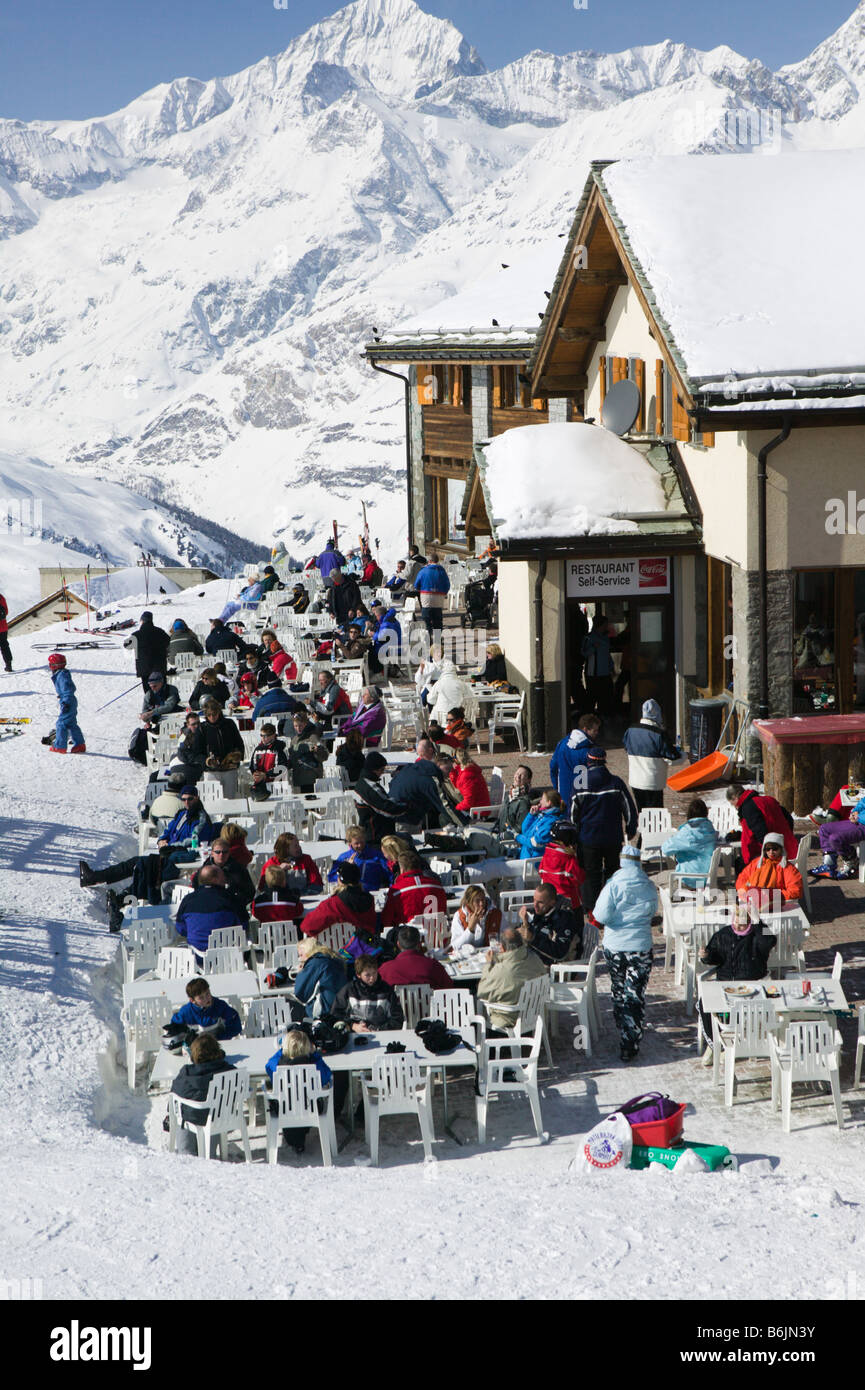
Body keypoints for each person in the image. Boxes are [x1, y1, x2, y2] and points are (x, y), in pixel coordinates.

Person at [592, 844, 658, 1062]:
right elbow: (653, 912)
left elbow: (600, 915)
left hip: (615, 946)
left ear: (622, 862)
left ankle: (624, 1027)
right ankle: (630, 1039)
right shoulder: (649, 885)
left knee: (619, 988)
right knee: (635, 993)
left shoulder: (613, 885)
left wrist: (616, 920)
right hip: (640, 947)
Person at [698, 903, 777, 1055]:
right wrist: (706, 956)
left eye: (742, 924)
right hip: (726, 984)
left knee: (737, 1009)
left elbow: (770, 942)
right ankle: (715, 1044)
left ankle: (726, 1044)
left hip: (751, 985)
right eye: (735, 923)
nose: (738, 927)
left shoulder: (758, 933)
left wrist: (758, 922)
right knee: (705, 1003)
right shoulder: (723, 934)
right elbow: (715, 957)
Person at [571, 748, 638, 914]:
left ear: (588, 762)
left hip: (587, 838)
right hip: (612, 837)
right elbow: (629, 808)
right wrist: (630, 828)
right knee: (612, 872)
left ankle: (592, 908)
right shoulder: (616, 783)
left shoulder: (580, 784)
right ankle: (612, 903)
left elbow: (572, 813)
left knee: (590, 874)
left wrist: (573, 836)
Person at [265, 1028, 334, 1154]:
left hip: (285, 1110)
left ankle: (296, 1142)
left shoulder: (279, 1066)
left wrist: (281, 1052)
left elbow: (268, 1065)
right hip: (310, 1108)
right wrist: (315, 1055)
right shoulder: (314, 1066)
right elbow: (327, 1074)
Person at [169, 1033, 237, 1156]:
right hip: (216, 1119)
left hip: (191, 1118)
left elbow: (174, 1094)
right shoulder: (229, 1071)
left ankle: (187, 1155)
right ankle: (208, 1155)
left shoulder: (187, 1073)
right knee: (208, 1151)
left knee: (186, 1148)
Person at [477, 926, 548, 1031]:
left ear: (502, 947)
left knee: (476, 1002)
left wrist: (488, 964)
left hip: (509, 1018)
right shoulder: (535, 958)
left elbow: (481, 992)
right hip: (534, 1013)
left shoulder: (502, 971)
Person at [388, 738, 466, 831]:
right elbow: (444, 805)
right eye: (447, 770)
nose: (449, 774)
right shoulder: (430, 779)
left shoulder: (412, 767)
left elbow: (393, 782)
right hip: (404, 817)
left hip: (393, 811)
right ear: (438, 765)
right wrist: (466, 822)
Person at [174, 865, 249, 958]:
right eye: (222, 876)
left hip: (197, 957)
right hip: (228, 957)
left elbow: (181, 928)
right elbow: (244, 926)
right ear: (214, 879)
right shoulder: (231, 899)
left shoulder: (188, 899)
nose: (225, 878)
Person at [622, 700, 682, 810]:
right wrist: (682, 753)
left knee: (642, 813)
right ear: (658, 714)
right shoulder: (659, 734)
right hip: (653, 783)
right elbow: (673, 758)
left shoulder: (630, 731)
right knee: (656, 816)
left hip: (635, 781)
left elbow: (627, 748)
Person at [300, 860, 377, 937]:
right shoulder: (369, 899)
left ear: (340, 880)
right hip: (367, 945)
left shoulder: (333, 903)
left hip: (337, 947)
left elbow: (306, 926)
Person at [728, 785, 797, 866]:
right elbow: (789, 819)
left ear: (735, 798)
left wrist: (768, 853)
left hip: (774, 855)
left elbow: (761, 832)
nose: (735, 807)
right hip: (788, 848)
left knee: (740, 864)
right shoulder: (767, 799)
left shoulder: (748, 807)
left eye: (733, 804)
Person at [332, 954, 404, 1032]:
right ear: (358, 975)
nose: (372, 978)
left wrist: (380, 1030)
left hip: (381, 1034)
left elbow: (397, 1018)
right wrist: (352, 1025)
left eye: (374, 973)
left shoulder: (386, 990)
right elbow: (335, 1015)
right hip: (355, 1034)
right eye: (367, 975)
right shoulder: (349, 990)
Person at [518, 883, 582, 965]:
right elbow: (535, 933)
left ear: (552, 902)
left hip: (560, 968)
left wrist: (533, 938)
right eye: (534, 900)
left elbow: (560, 953)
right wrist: (525, 924)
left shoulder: (564, 919)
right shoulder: (543, 912)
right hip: (540, 960)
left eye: (540, 902)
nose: (535, 905)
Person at [381, 851, 447, 929]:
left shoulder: (396, 891)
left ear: (401, 869)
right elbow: (444, 911)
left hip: (408, 937)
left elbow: (387, 920)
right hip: (436, 936)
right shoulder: (437, 886)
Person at [736, 831, 803, 907]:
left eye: (774, 849)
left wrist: (771, 895)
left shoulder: (787, 868)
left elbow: (796, 890)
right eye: (768, 849)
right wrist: (747, 891)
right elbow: (741, 879)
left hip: (775, 904)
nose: (771, 852)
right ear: (764, 850)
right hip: (752, 901)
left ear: (781, 849)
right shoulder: (757, 863)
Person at [661, 798, 718, 888]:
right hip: (705, 879)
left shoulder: (688, 832)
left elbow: (665, 849)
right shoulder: (710, 830)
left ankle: (675, 898)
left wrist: (674, 837)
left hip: (689, 879)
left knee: (654, 879)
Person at [378, 925, 453, 990]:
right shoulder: (434, 966)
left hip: (398, 1006)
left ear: (398, 945)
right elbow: (449, 988)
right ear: (419, 944)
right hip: (430, 1006)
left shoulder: (385, 969)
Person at [812, 789, 865, 878]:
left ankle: (852, 862)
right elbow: (863, 802)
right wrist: (855, 811)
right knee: (824, 829)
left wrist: (859, 817)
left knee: (835, 838)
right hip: (857, 821)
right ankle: (829, 865)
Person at [549, 714, 601, 804]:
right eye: (595, 730)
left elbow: (553, 767)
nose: (597, 733)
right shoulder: (589, 751)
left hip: (564, 795)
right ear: (585, 729)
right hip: (584, 798)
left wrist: (557, 789)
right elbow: (597, 775)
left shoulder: (562, 743)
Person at [169, 976, 242, 1040]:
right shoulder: (186, 1012)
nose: (207, 998)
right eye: (201, 997)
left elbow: (235, 1023)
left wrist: (222, 1038)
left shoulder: (220, 1006)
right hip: (195, 1046)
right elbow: (175, 1028)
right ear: (192, 1000)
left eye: (207, 993)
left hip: (219, 1044)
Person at [192, 833, 254, 907]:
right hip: (208, 904)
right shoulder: (205, 869)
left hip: (231, 905)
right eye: (218, 852)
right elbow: (195, 886)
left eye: (225, 852)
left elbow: (250, 891)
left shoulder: (238, 869)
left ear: (229, 853)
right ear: (212, 853)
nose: (221, 855)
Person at [354, 751, 405, 842]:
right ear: (374, 770)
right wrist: (406, 807)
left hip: (375, 832)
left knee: (407, 838)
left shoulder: (363, 782)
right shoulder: (369, 787)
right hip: (376, 837)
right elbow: (386, 808)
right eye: (381, 770)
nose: (382, 773)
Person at [292, 940, 348, 1018]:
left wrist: (300, 973)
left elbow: (300, 992)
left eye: (301, 955)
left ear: (308, 951)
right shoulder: (334, 959)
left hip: (325, 1012)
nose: (299, 959)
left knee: (289, 1005)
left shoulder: (315, 962)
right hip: (341, 1008)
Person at [328, 826, 391, 893]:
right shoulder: (343, 858)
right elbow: (332, 877)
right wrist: (347, 869)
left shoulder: (376, 856)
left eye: (362, 842)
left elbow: (389, 874)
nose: (360, 845)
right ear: (350, 843)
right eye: (356, 843)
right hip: (351, 893)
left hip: (373, 891)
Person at [539, 821, 585, 912]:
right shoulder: (569, 859)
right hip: (569, 902)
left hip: (549, 900)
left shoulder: (547, 854)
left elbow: (541, 873)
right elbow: (580, 878)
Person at [258, 832, 323, 896]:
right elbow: (263, 889)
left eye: (298, 844)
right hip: (280, 901)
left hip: (302, 898)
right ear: (286, 849)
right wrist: (278, 871)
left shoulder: (306, 860)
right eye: (296, 846)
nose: (299, 848)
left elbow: (317, 885)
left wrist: (298, 894)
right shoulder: (272, 864)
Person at [47, 653, 86, 753]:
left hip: (67, 700)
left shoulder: (61, 676)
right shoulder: (62, 674)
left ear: (55, 666)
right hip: (69, 700)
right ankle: (80, 744)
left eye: (50, 664)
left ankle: (60, 746)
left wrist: (65, 702)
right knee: (71, 723)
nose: (50, 667)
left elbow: (67, 689)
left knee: (61, 724)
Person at [125, 611, 170, 692]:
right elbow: (168, 641)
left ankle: (150, 704)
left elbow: (127, 645)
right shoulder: (160, 632)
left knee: (149, 693)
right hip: (159, 667)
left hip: (144, 668)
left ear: (142, 621)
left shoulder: (137, 635)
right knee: (163, 692)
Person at [424, 660, 477, 728]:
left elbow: (430, 700)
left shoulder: (439, 683)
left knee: (435, 710)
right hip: (457, 716)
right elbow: (470, 697)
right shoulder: (460, 683)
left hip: (441, 717)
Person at [451, 886, 501, 954]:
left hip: (490, 954)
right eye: (477, 901)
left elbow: (506, 937)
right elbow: (456, 947)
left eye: (483, 900)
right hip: (466, 957)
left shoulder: (495, 913)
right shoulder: (459, 916)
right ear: (469, 903)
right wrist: (470, 929)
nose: (481, 904)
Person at [413, 549, 450, 643]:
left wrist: (420, 589)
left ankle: (428, 638)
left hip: (426, 596)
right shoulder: (441, 571)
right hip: (438, 597)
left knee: (426, 618)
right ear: (437, 560)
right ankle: (438, 639)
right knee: (437, 619)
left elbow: (417, 584)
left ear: (429, 560)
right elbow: (447, 584)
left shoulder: (423, 571)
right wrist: (444, 593)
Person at [287, 707, 327, 791]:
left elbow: (325, 756)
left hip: (312, 777)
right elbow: (292, 760)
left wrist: (318, 750)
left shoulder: (313, 737)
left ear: (305, 724)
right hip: (299, 778)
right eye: (296, 726)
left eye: (300, 725)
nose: (298, 728)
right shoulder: (293, 740)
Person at [516, 790, 564, 859]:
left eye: (542, 799)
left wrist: (517, 837)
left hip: (534, 863)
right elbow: (525, 831)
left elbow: (534, 843)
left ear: (548, 803)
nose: (540, 802)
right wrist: (531, 815)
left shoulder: (551, 821)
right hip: (526, 857)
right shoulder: (542, 816)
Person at [582, 615, 614, 715]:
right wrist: (593, 648)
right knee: (592, 698)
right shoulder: (589, 637)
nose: (607, 626)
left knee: (606, 697)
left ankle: (604, 717)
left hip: (605, 673)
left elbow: (607, 654)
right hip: (593, 674)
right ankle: (590, 719)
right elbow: (583, 653)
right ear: (600, 625)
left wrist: (611, 666)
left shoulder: (606, 638)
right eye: (605, 624)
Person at [200, 699, 244, 769]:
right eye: (209, 715)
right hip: (211, 770)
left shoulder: (229, 724)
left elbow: (239, 744)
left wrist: (236, 759)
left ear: (218, 712)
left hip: (229, 767)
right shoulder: (202, 728)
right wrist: (207, 761)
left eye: (214, 714)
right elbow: (196, 753)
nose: (212, 717)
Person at [249, 723, 290, 797]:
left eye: (266, 736)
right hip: (261, 785)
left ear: (273, 735)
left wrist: (266, 775)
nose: (263, 738)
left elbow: (282, 768)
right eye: (261, 735)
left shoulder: (278, 749)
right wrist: (255, 774)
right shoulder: (258, 749)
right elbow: (252, 765)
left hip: (275, 785)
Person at [448, 746, 489, 813]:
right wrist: (453, 772)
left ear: (457, 759)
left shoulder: (467, 775)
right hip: (479, 806)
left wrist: (455, 809)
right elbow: (458, 785)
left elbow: (468, 802)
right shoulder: (468, 770)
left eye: (454, 758)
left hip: (478, 812)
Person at [171, 711, 207, 784]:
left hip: (198, 764)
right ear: (188, 725)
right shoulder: (184, 735)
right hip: (185, 762)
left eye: (198, 723)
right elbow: (181, 751)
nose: (197, 726)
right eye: (193, 724)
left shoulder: (204, 733)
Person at [500, 765, 533, 835]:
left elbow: (521, 827)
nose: (518, 777)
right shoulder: (509, 795)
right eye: (517, 774)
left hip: (508, 839)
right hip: (499, 831)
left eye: (522, 775)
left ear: (528, 780)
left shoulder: (524, 802)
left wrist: (504, 835)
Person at [0, 591, 12, 671]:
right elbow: (6, 611)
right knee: (4, 646)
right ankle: (9, 665)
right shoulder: (1, 597)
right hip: (3, 627)